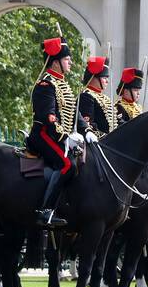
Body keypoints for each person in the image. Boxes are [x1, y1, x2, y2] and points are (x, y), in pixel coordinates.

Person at [27, 37, 84, 228]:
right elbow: (48, 118)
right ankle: (45, 210)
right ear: (55, 61)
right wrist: (66, 136)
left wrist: (84, 131)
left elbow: (74, 114)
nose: (71, 62)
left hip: (60, 137)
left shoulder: (64, 84)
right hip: (44, 135)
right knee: (67, 164)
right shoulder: (46, 84)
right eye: (67, 59)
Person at [77, 56, 117, 135]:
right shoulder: (86, 96)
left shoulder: (105, 98)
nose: (107, 81)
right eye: (104, 78)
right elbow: (88, 124)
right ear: (94, 77)